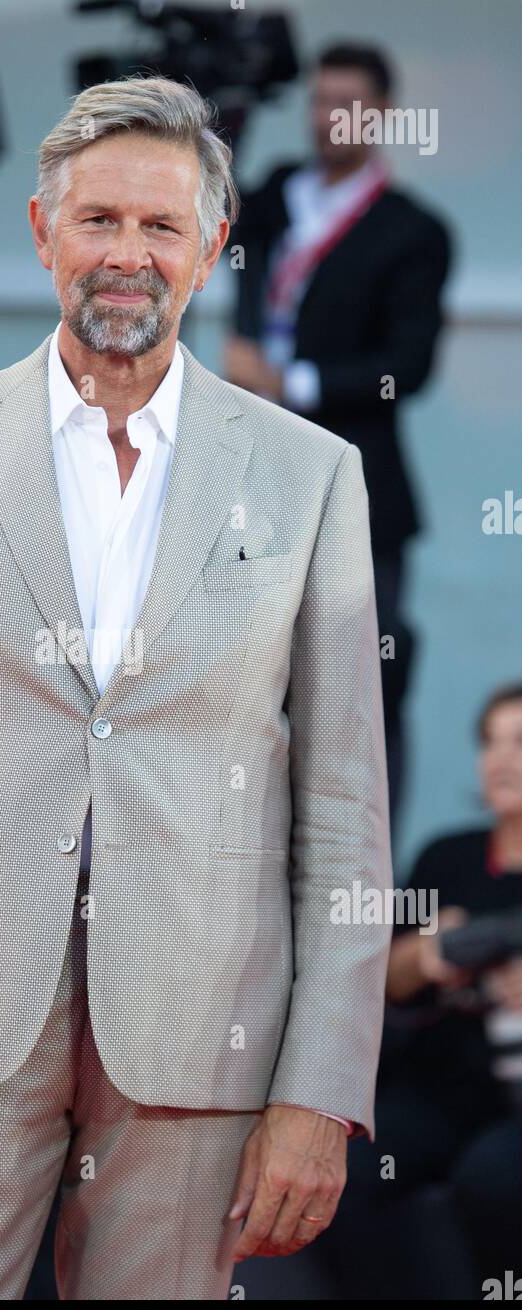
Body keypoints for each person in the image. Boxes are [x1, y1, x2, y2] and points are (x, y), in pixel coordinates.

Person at [0, 76, 393, 1302]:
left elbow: (341, 815)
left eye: (160, 227)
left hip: (197, 1047)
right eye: (99, 220)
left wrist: (320, 1087)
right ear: (44, 228)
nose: (127, 255)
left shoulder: (311, 477)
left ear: (212, 248)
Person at [224, 43, 452, 817]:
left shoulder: (411, 230)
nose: (329, 119)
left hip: (362, 487)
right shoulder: (278, 192)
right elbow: (209, 199)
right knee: (253, 665)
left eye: (348, 104)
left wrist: (293, 382)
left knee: (367, 673)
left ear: (383, 115)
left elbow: (409, 367)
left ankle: (368, 867)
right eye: (320, 101)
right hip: (259, 478)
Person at [316, 683, 522, 1298]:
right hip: (440, 1088)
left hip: (510, 1102)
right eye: (489, 742)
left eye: (521, 743)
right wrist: (428, 954)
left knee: (493, 1180)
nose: (501, 759)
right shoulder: (448, 858)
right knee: (341, 1180)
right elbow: (383, 977)